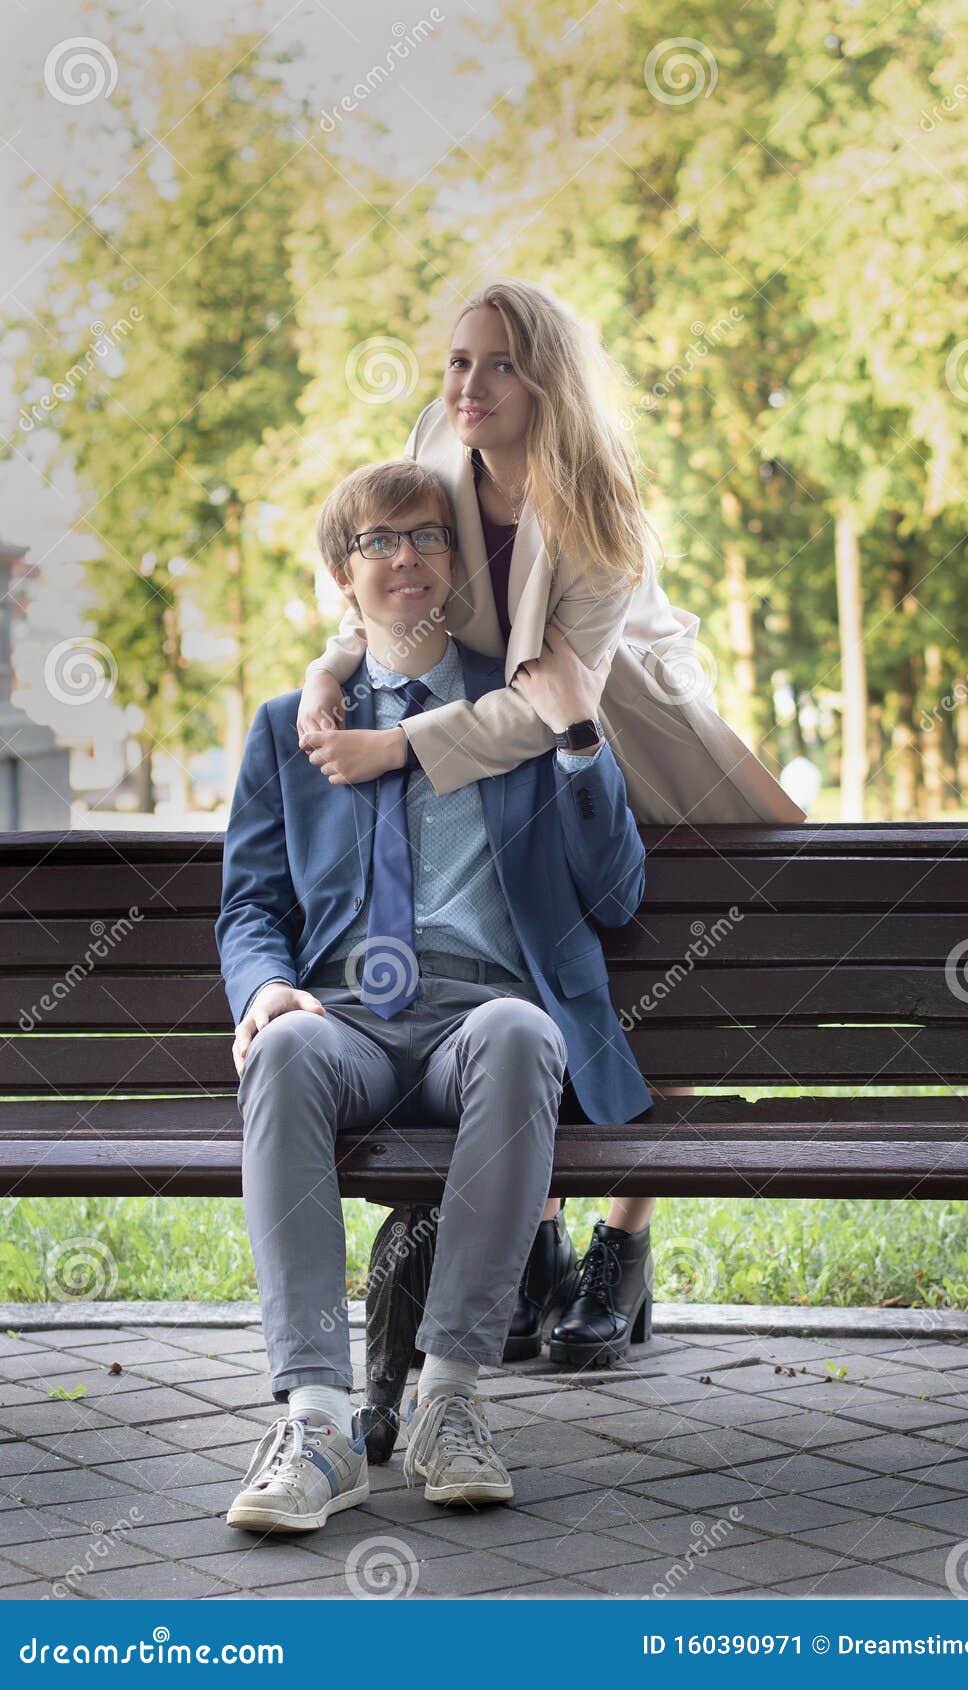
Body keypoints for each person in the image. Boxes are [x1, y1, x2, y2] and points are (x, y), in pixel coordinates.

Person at [297, 278, 805, 1366]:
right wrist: (330, 668)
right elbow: (391, 579)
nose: (469, 386)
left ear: (546, 380)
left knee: (650, 962)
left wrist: (398, 748)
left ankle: (623, 1245)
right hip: (484, 738)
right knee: (515, 955)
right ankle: (533, 1233)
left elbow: (557, 696)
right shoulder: (437, 439)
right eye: (458, 360)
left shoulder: (598, 505)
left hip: (616, 725)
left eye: (500, 365)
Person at [216, 457, 652, 1530]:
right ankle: (317, 1419)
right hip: (346, 1021)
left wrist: (580, 736)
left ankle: (449, 1398)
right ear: (341, 573)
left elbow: (617, 889)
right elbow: (250, 904)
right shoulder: (288, 728)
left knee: (518, 1029)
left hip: (475, 1016)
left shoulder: (506, 711)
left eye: (427, 537)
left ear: (455, 563)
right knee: (282, 1049)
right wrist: (267, 986)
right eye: (378, 542)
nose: (405, 557)